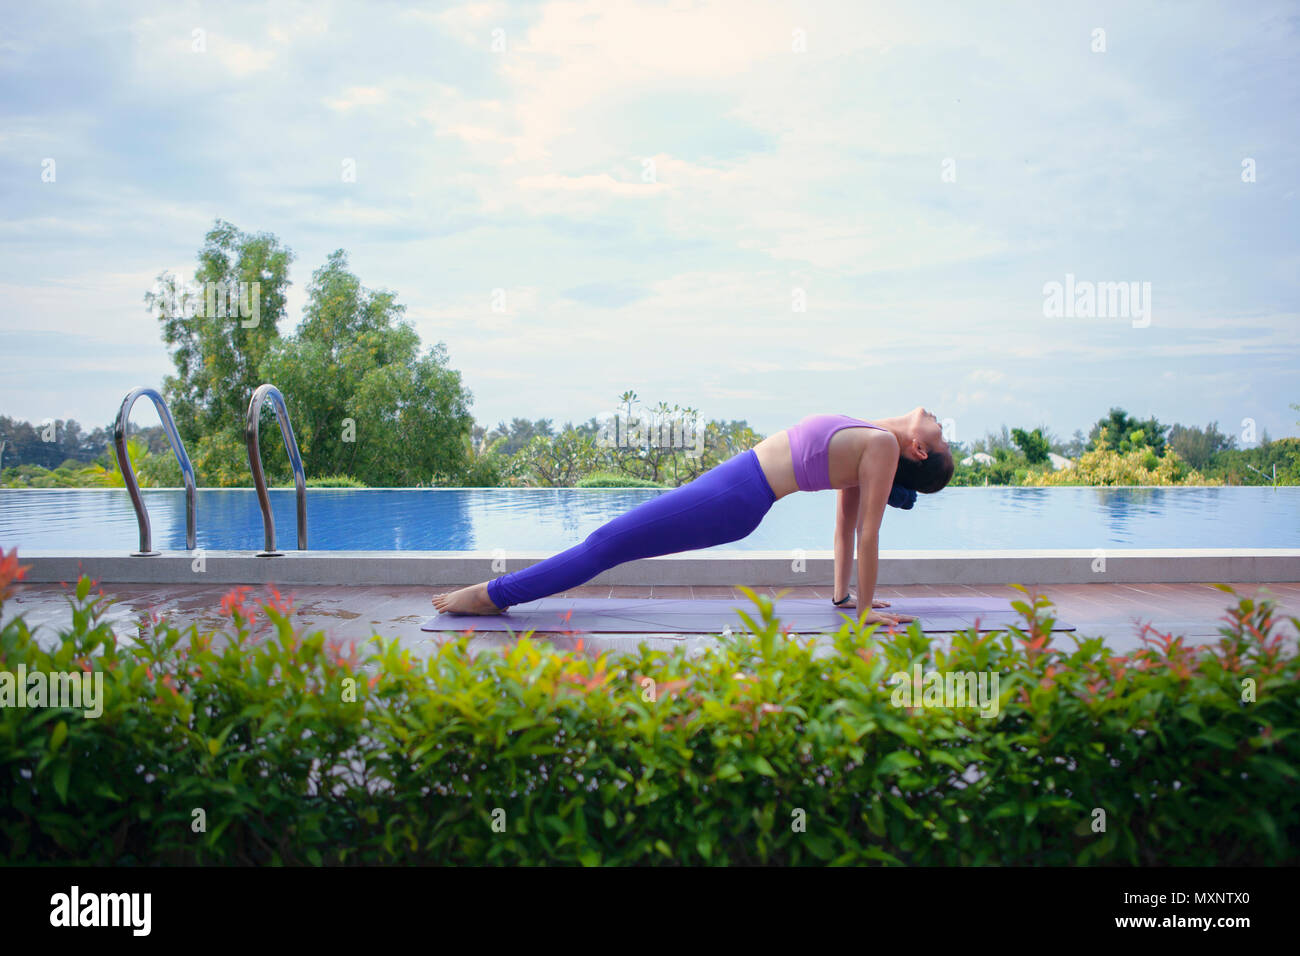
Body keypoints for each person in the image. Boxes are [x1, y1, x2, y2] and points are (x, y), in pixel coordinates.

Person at [432, 406, 953, 626]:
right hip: (736, 488)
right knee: (610, 541)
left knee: (609, 541)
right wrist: (844, 599)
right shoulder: (872, 437)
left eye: (943, 437)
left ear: (920, 452)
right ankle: (496, 595)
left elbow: (866, 531)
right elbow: (843, 526)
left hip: (737, 496)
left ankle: (493, 596)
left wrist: (864, 613)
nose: (939, 423)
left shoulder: (883, 444)